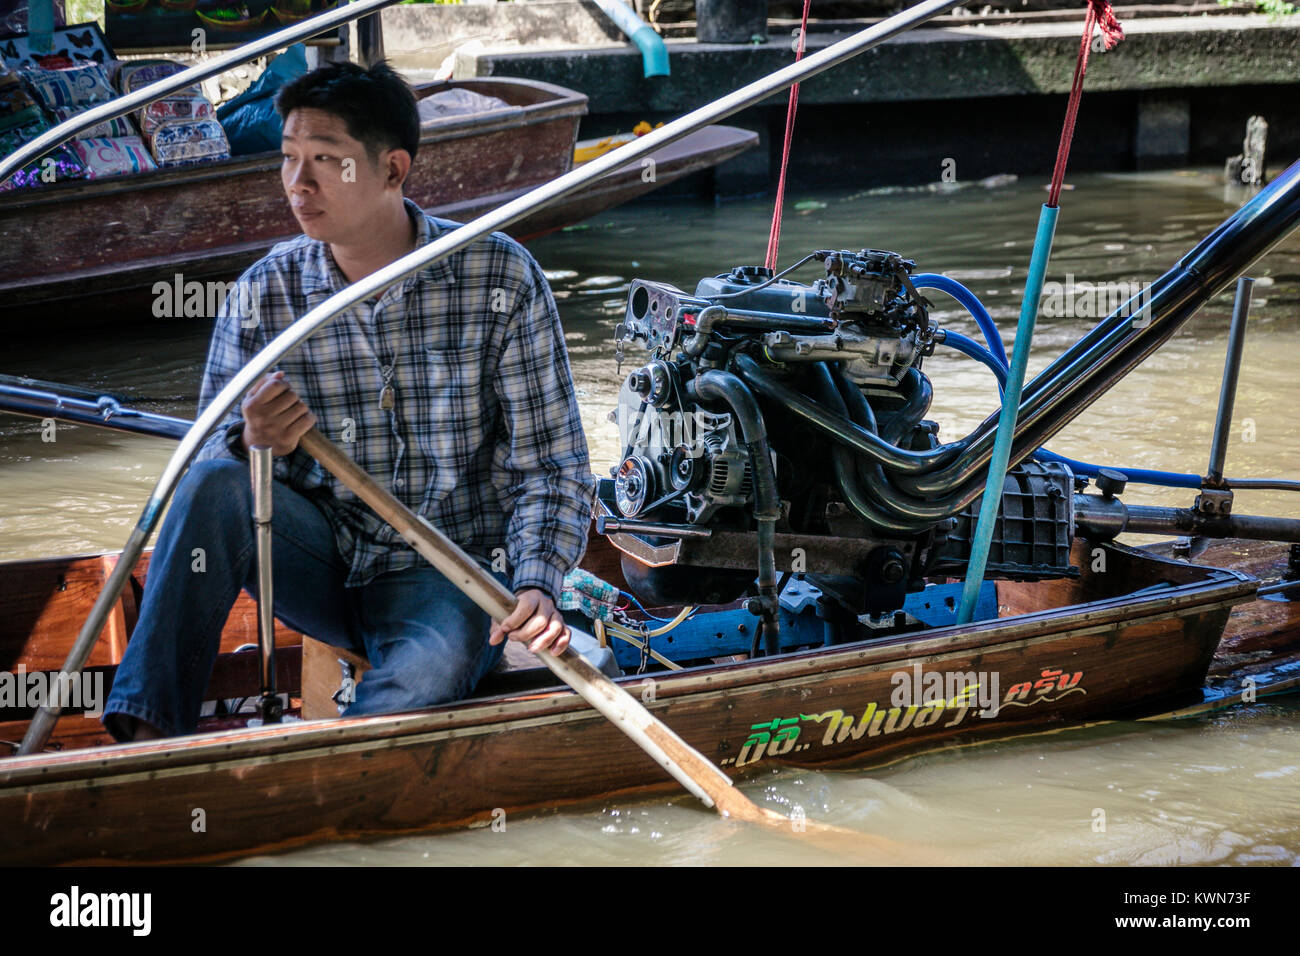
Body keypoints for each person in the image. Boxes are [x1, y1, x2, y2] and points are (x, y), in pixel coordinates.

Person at [102, 61, 593, 741]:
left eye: (326, 161)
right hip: (318, 560)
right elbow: (203, 479)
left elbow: (552, 466)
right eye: (289, 159)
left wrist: (537, 582)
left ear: (392, 171)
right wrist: (252, 443)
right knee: (216, 480)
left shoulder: (498, 274)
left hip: (445, 571)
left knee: (427, 672)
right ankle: (146, 741)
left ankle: (331, 760)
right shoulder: (262, 295)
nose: (298, 185)